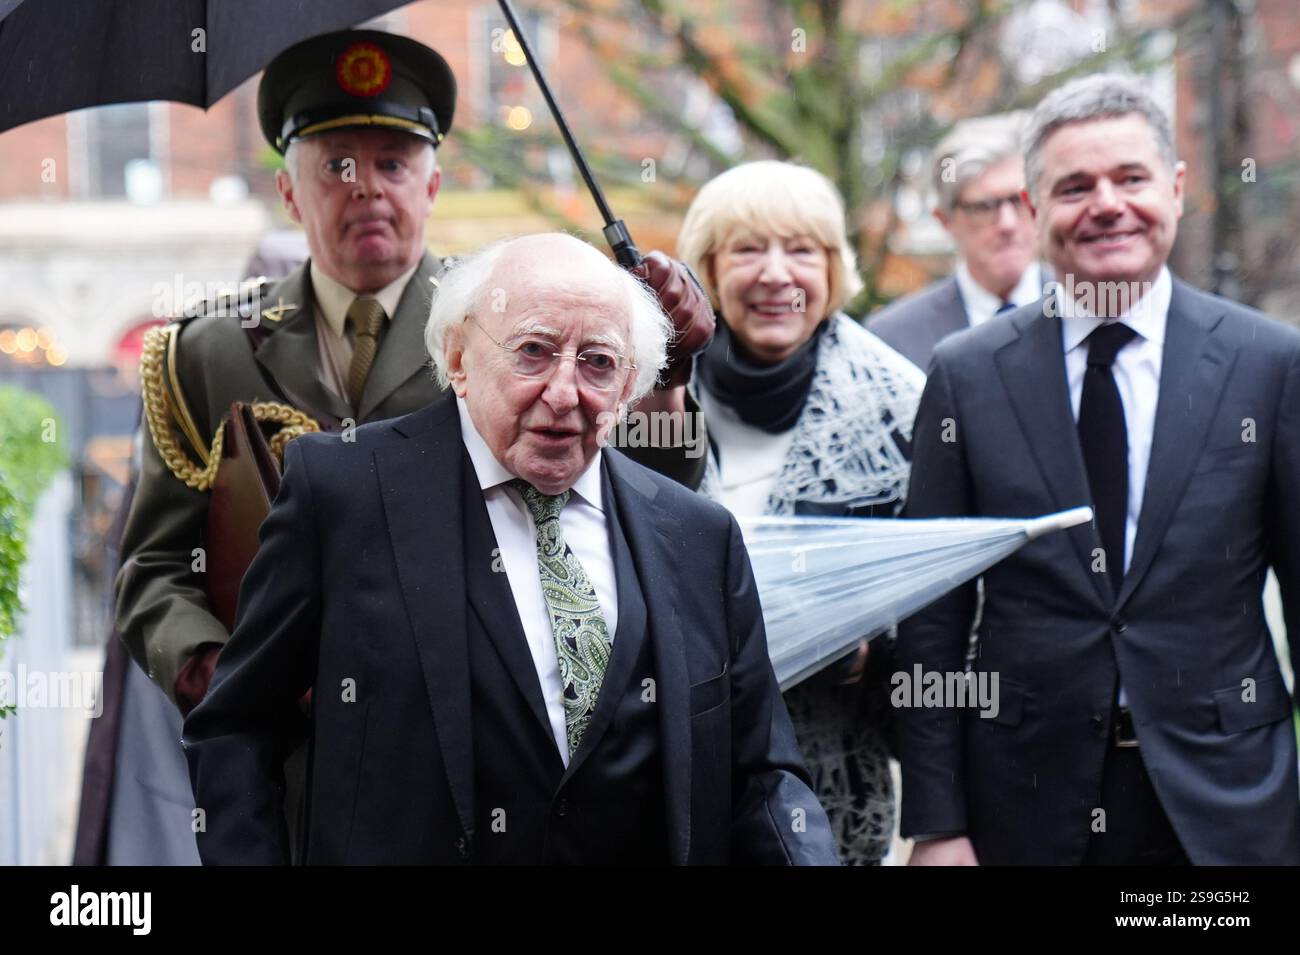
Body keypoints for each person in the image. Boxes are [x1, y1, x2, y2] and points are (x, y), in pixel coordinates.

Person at [100, 29, 714, 864]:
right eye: (337, 165)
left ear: (432, 183)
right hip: (269, 748)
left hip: (454, 749)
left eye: (393, 164)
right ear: (288, 189)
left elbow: (646, 500)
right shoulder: (207, 351)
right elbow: (153, 565)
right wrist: (209, 666)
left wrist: (667, 374)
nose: (369, 191)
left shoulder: (502, 326)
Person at [182, 233, 838, 865]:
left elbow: (760, 774)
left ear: (630, 385)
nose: (563, 392)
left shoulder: (700, 538)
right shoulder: (344, 491)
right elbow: (237, 726)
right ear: (460, 356)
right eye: (533, 351)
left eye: (597, 363)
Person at [899, 73, 1300, 865]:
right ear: (1035, 205)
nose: (1106, 204)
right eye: (1075, 186)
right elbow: (933, 617)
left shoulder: (1269, 362)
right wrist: (937, 822)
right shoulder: (968, 374)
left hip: (1226, 807)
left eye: (1130, 178)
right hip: (1026, 804)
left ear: (1176, 189)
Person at [676, 160, 925, 864]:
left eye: (803, 249)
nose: (777, 274)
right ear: (709, 268)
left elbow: (952, 609)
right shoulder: (651, 394)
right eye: (748, 249)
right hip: (670, 778)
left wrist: (865, 653)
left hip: (834, 791)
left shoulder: (903, 406)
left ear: (835, 267)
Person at [868, 112, 1045, 372]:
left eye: (1020, 200)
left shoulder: (1089, 312)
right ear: (945, 220)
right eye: (984, 207)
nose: (1007, 223)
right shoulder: (892, 340)